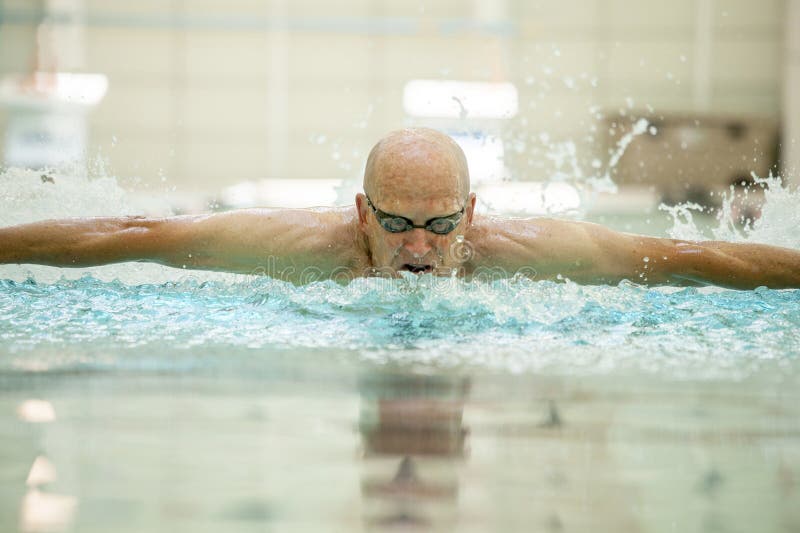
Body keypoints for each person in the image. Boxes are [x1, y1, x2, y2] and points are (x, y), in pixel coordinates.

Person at [1, 127, 798, 289]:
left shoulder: (518, 250)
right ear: (359, 212)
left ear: (473, 215)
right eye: (396, 223)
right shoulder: (303, 245)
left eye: (442, 224)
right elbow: (133, 233)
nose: (420, 245)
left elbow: (691, 258)